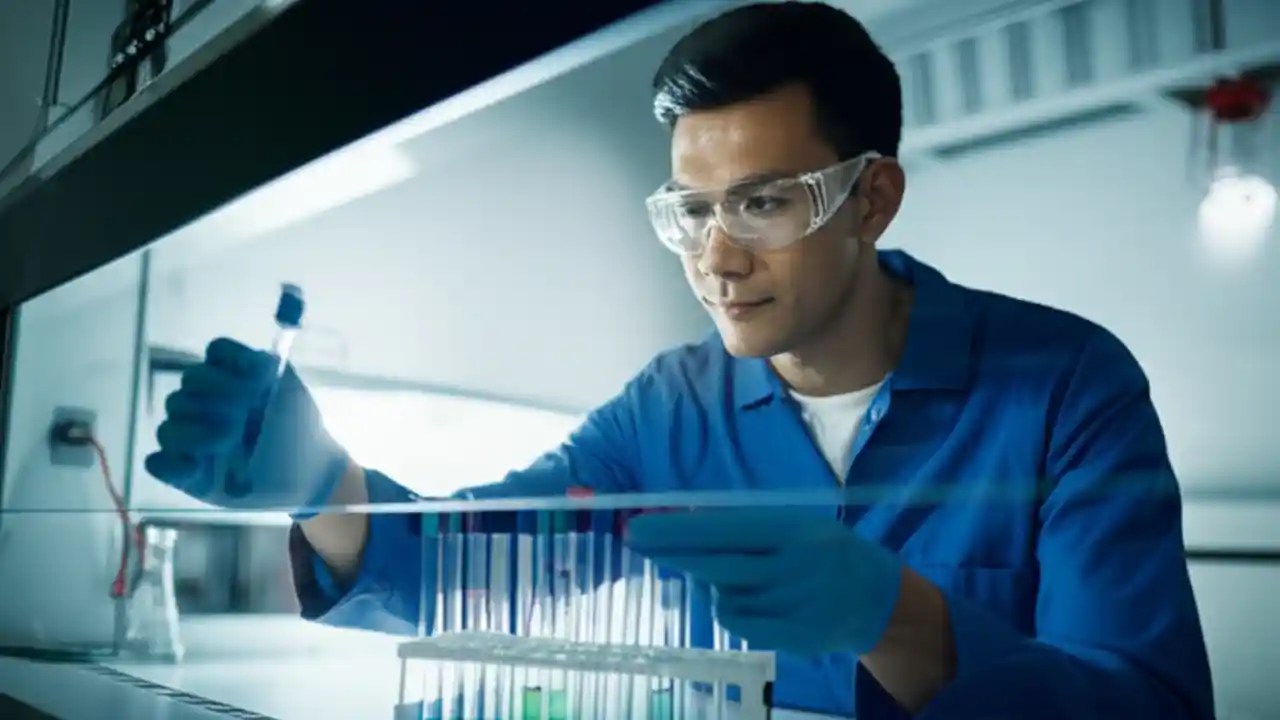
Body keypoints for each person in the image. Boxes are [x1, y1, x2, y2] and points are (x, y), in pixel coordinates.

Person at [145, 2, 1215, 718]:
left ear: (871, 198)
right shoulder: (671, 409)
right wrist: (320, 478)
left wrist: (900, 619)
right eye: (691, 211)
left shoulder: (1063, 385)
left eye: (759, 203)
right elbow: (473, 567)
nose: (714, 257)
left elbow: (1149, 704)